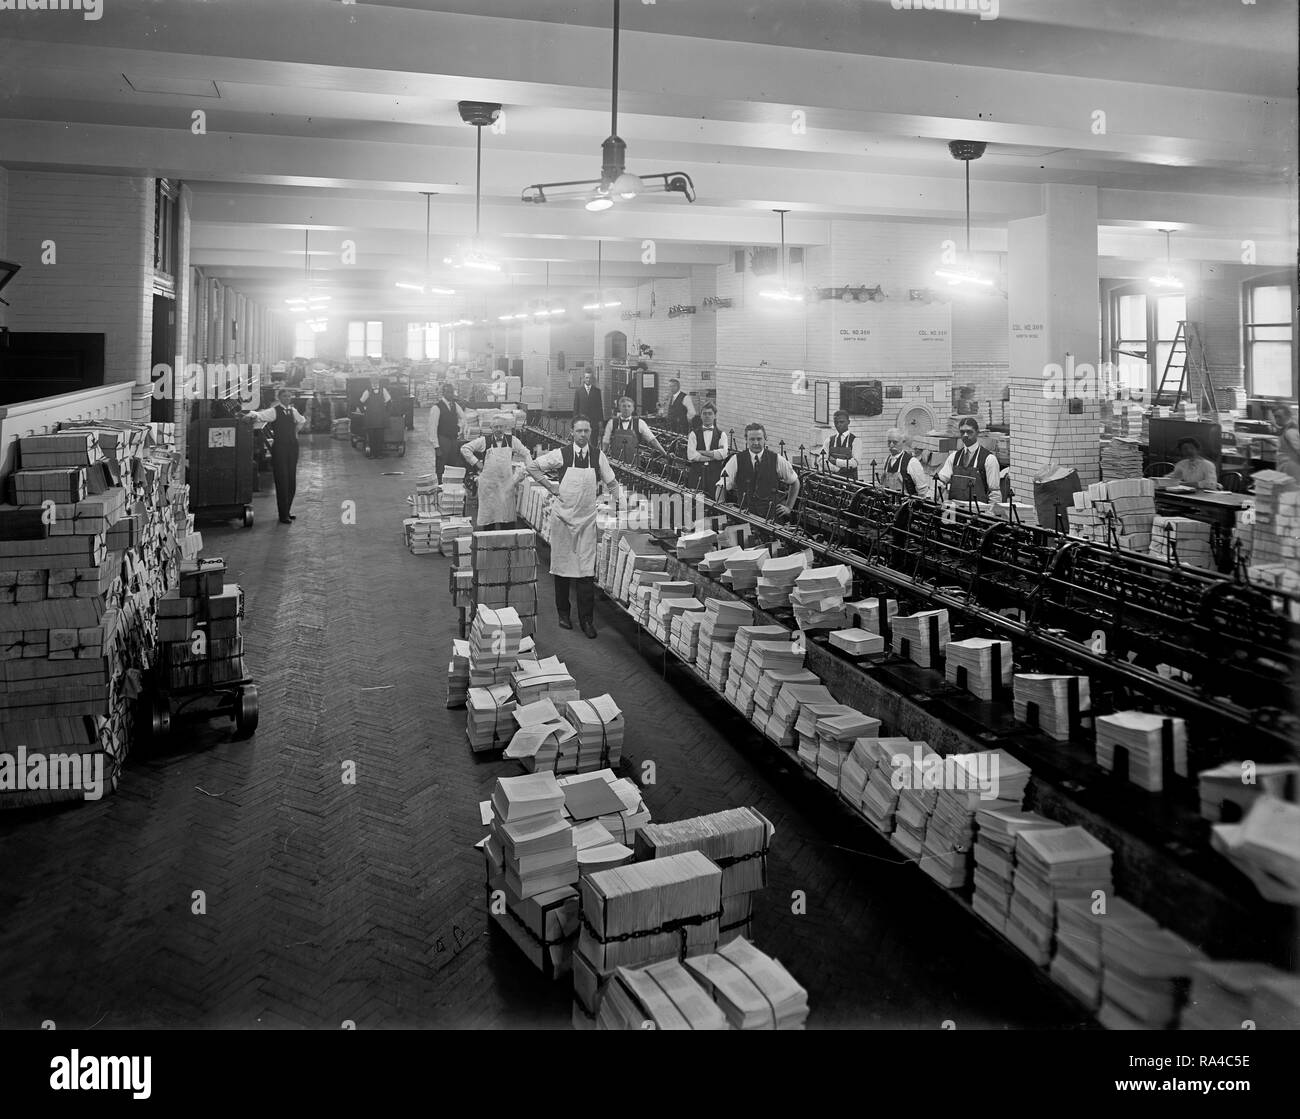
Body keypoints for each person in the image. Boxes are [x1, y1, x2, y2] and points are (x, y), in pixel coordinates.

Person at [526, 418, 620, 639]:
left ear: (590, 433)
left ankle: (587, 620)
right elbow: (532, 466)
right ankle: (564, 614)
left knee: (586, 573)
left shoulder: (598, 456)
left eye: (587, 430)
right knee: (562, 570)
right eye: (579, 430)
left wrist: (618, 503)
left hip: (587, 521)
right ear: (572, 433)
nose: (583, 434)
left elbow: (612, 483)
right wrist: (550, 486)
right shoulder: (562, 454)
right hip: (563, 520)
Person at [247, 388, 308, 524]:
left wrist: (295, 432)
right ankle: (283, 515)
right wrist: (248, 413)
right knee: (282, 479)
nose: (287, 398)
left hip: (292, 447)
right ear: (279, 397)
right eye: (284, 396)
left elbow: (302, 420)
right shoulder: (274, 411)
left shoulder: (293, 411)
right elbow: (260, 415)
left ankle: (287, 511)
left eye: (288, 396)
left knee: (291, 480)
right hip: (280, 448)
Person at [461, 413, 530, 530]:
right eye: (496, 427)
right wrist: (476, 462)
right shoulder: (484, 441)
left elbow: (526, 453)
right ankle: (489, 541)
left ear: (505, 428)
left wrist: (528, 469)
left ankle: (507, 542)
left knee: (506, 515)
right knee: (489, 516)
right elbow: (465, 448)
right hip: (489, 486)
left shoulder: (512, 440)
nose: (499, 429)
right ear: (491, 428)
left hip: (506, 484)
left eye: (501, 427)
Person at [717, 423, 800, 518]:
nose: (756, 443)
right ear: (746, 440)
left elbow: (795, 482)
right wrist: (721, 507)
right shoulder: (736, 460)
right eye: (752, 439)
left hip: (771, 519)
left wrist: (788, 507)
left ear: (765, 439)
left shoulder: (777, 459)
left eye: (759, 439)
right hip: (744, 517)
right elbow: (721, 485)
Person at [936, 417, 1000, 503]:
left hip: (978, 513)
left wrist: (990, 514)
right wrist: (931, 496)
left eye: (969, 432)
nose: (965, 435)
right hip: (955, 512)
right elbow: (941, 480)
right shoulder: (954, 457)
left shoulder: (989, 459)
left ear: (977, 433)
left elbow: (995, 493)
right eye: (962, 432)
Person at [602, 397, 667, 464]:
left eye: (629, 406)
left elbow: (652, 440)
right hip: (615, 461)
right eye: (623, 406)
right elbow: (605, 441)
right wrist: (602, 455)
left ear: (633, 408)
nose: (626, 408)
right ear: (619, 408)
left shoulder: (640, 423)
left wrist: (665, 453)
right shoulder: (612, 422)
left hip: (634, 463)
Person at [687, 404, 730, 493]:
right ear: (701, 416)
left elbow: (723, 454)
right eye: (704, 413)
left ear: (715, 416)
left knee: (713, 501)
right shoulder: (693, 434)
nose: (707, 416)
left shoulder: (722, 435)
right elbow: (691, 455)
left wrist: (701, 452)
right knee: (696, 503)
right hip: (697, 473)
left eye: (710, 414)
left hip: (715, 475)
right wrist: (713, 456)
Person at [880, 427, 932, 498]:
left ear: (903, 442)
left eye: (895, 442)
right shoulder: (887, 460)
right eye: (889, 442)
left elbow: (922, 490)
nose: (891, 445)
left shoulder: (912, 462)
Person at [429, 382, 466, 481]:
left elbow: (463, 417)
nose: (451, 394)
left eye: (452, 392)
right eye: (448, 392)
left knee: (452, 464)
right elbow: (432, 428)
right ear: (443, 393)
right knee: (441, 465)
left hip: (453, 439)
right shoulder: (436, 408)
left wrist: (458, 427)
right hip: (442, 440)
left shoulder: (455, 405)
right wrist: (436, 446)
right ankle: (441, 486)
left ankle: (451, 486)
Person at [359, 378, 392, 458]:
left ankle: (379, 453)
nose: (374, 384)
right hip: (371, 418)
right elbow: (361, 402)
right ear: (370, 383)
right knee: (372, 436)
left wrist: (386, 412)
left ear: (379, 383)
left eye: (376, 382)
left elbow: (388, 401)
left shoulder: (383, 390)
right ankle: (373, 454)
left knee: (379, 436)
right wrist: (364, 411)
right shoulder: (367, 391)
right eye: (373, 382)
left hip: (379, 417)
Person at [822, 409, 860, 481]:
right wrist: (836, 470)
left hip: (849, 481)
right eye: (836, 422)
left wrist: (835, 461)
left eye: (841, 422)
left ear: (848, 422)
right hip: (832, 479)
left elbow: (854, 463)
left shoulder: (855, 441)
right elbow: (821, 460)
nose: (838, 425)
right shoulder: (829, 440)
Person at [1270, 405, 1300, 483]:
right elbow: (1285, 447)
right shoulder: (1286, 429)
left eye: (1279, 417)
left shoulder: (1291, 432)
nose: (1276, 419)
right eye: (1275, 416)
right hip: (1285, 469)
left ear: (1288, 416)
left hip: (1291, 470)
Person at [572, 369, 604, 433]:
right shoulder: (578, 391)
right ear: (584, 379)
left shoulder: (597, 391)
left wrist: (600, 422)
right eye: (586, 378)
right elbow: (576, 408)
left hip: (594, 423)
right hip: (582, 422)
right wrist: (574, 422)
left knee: (594, 441)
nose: (588, 380)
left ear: (592, 379)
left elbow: (599, 408)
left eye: (590, 378)